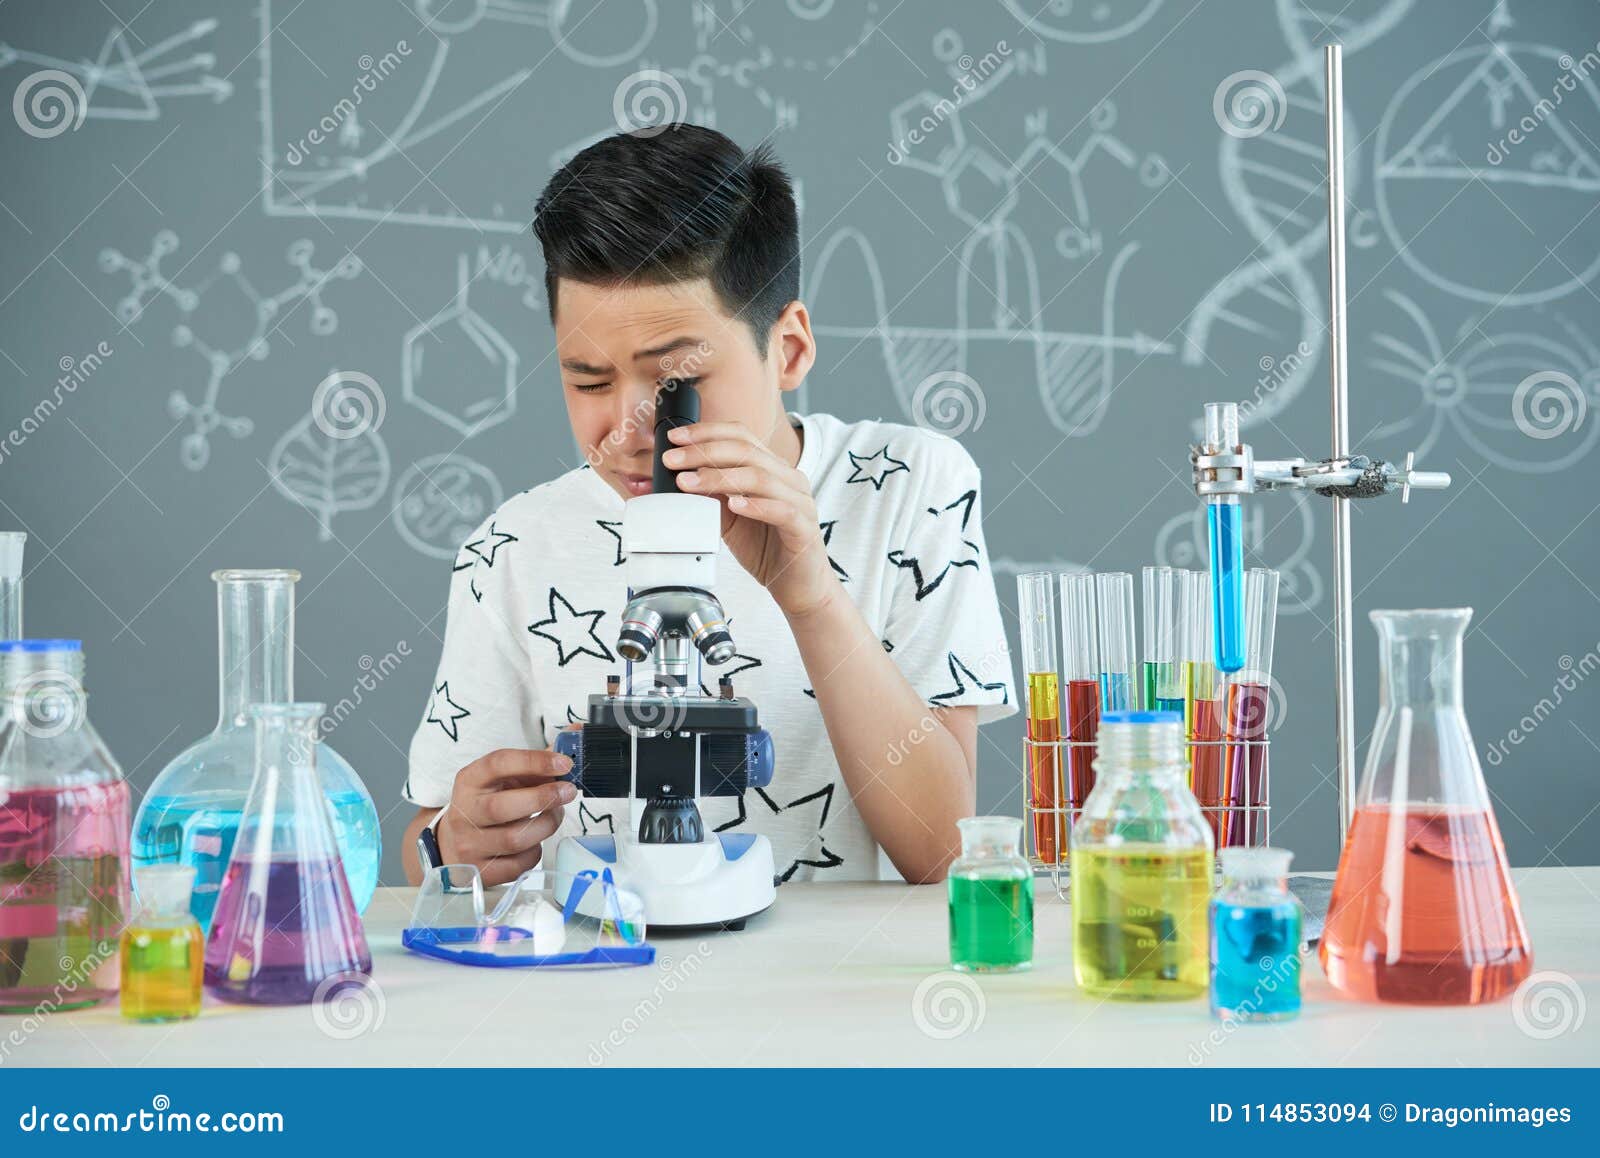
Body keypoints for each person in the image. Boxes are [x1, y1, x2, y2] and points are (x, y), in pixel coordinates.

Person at [402, 124, 1015, 888]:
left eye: (672, 385)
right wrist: (454, 844)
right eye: (588, 382)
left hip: (831, 997)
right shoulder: (514, 547)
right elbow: (434, 840)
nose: (628, 432)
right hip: (595, 976)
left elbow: (945, 855)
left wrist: (813, 596)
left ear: (786, 349)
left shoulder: (906, 484)